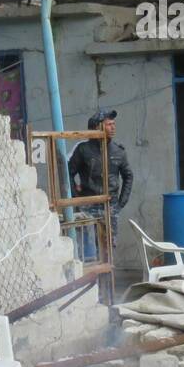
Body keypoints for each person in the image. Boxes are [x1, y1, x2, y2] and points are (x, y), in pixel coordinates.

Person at [67, 109, 132, 259]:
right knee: (89, 248)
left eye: (113, 124)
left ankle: (108, 281)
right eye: (109, 124)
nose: (113, 127)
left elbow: (128, 176)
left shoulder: (118, 151)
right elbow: (69, 173)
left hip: (110, 206)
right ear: (97, 127)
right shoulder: (83, 149)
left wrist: (121, 203)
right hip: (88, 205)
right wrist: (76, 197)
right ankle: (92, 281)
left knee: (108, 248)